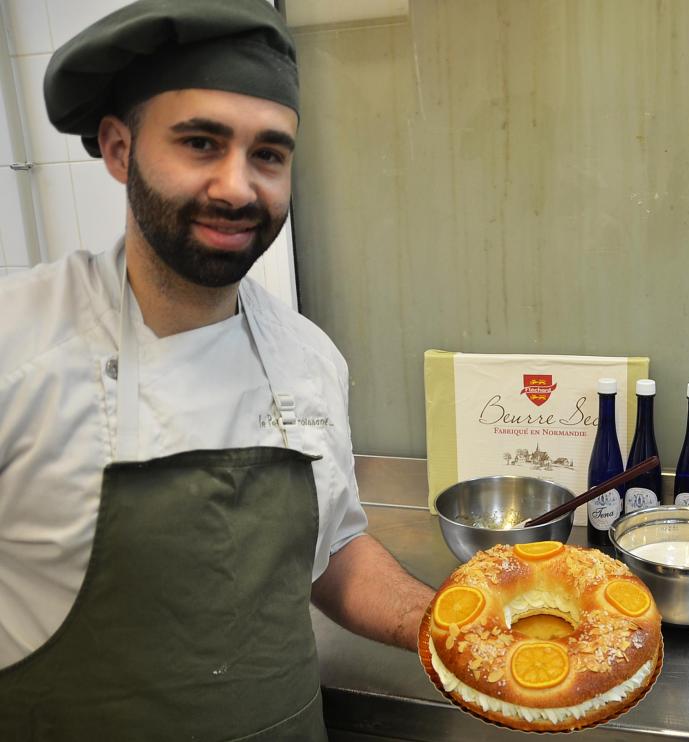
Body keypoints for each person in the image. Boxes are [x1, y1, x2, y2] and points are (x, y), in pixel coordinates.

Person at [0, 1, 434, 739]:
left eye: (269, 154)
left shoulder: (308, 359)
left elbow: (331, 554)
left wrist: (450, 624)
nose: (237, 187)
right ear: (116, 147)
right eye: (201, 142)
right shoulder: (18, 345)